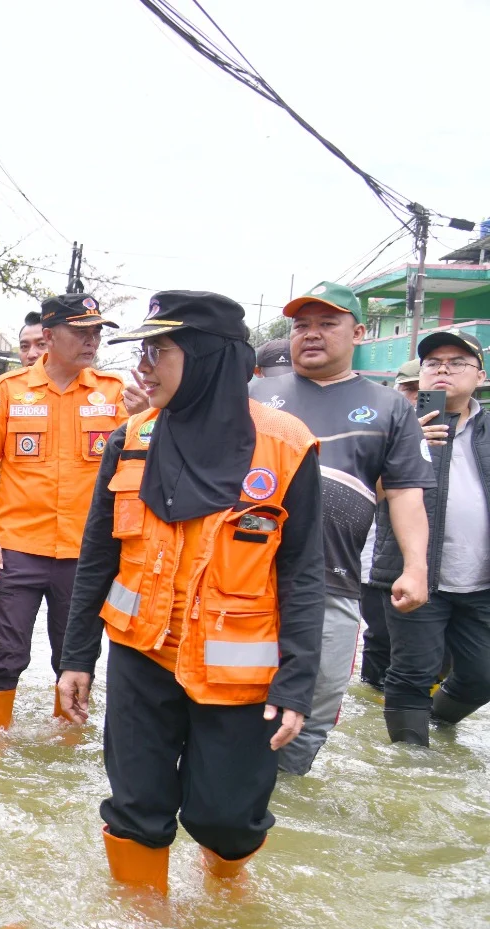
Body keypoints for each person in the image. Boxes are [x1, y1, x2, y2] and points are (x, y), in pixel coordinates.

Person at [57, 292, 324, 895]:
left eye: (159, 351)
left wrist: (297, 683)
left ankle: (226, 885)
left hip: (237, 674)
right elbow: (98, 553)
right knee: (137, 805)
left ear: (206, 358)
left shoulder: (286, 447)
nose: (142, 367)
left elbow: (304, 574)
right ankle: (143, 928)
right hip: (140, 655)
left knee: (226, 817)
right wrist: (76, 658)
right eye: (141, 351)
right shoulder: (131, 437)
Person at [248, 282, 432, 775]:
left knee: (309, 711)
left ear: (358, 332)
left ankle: (280, 805)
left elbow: (407, 493)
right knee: (234, 702)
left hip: (333, 582)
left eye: (326, 324)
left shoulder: (391, 407)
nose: (310, 335)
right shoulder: (255, 394)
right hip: (245, 579)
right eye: (300, 326)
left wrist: (415, 568)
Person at [0, 293, 147, 729]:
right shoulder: (9, 390)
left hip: (87, 554)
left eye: (97, 331)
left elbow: (147, 461)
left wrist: (149, 417)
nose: (92, 340)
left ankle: (66, 741)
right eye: (81, 331)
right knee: (2, 652)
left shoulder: (117, 394)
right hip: (17, 546)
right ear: (48, 336)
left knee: (76, 654)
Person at [373, 331, 490, 744]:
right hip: (415, 572)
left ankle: (438, 728)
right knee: (411, 673)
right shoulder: (393, 427)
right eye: (432, 362)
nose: (442, 368)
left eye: (457, 362)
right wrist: (408, 448)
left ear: (481, 375)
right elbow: (367, 495)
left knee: (482, 675)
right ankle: (410, 765)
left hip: (480, 580)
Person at [358, 358, 422, 688]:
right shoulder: (379, 426)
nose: (415, 398)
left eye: (421, 391)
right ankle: (374, 699)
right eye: (410, 389)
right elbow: (368, 492)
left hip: (433, 566)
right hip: (375, 561)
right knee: (381, 640)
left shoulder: (471, 435)